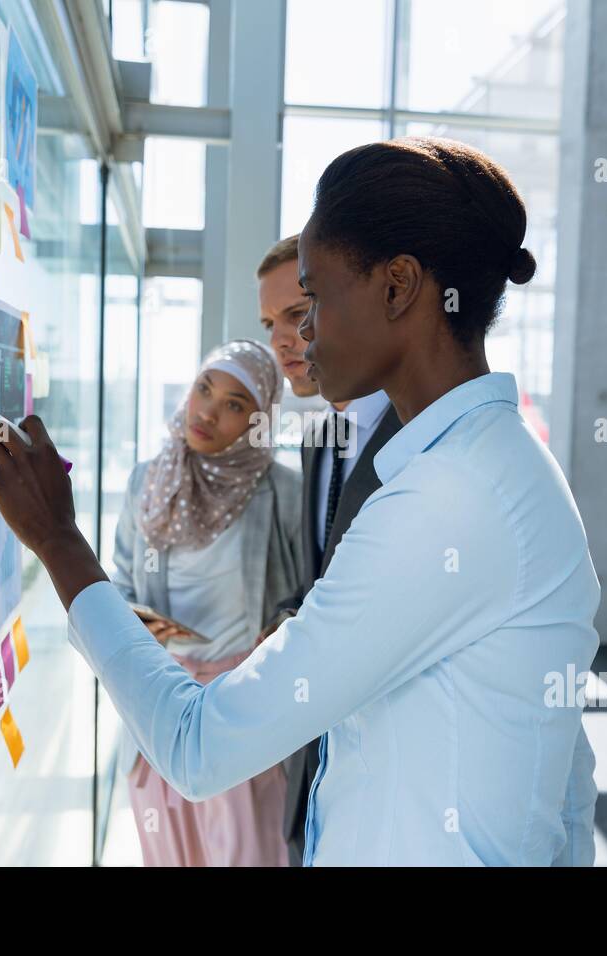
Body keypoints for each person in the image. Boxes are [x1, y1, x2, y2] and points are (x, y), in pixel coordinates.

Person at [0, 136, 601, 865]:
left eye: (316, 295)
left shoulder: (448, 498)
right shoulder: (496, 467)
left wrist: (58, 542)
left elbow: (198, 745)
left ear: (397, 286)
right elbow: (568, 782)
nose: (299, 335)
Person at [107, 339, 305, 866]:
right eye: (203, 389)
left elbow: (310, 593)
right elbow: (121, 579)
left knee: (248, 851)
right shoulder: (148, 481)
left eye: (235, 404)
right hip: (161, 703)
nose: (208, 411)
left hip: (241, 710)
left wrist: (283, 626)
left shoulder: (283, 492)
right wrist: (134, 618)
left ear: (259, 420)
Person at [257, 234, 402, 866]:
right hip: (312, 752)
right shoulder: (319, 441)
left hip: (384, 767)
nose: (284, 339)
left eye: (297, 313)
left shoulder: (416, 438)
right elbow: (322, 580)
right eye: (269, 323)